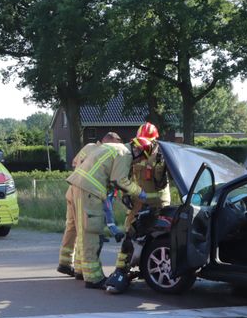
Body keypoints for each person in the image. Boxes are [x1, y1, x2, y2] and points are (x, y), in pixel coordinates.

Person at [63, 137, 149, 289]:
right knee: (91, 233)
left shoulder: (115, 148)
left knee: (83, 232)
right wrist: (140, 192)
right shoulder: (126, 154)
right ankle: (94, 278)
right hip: (90, 191)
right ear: (138, 151)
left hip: (80, 187)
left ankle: (82, 270)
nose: (138, 162)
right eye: (141, 158)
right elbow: (119, 180)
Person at [105, 124, 170, 294]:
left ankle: (155, 269)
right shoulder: (135, 153)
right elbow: (124, 175)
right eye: (140, 143)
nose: (142, 146)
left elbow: (164, 182)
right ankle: (120, 271)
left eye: (146, 143)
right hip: (137, 203)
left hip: (157, 203)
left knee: (155, 238)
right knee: (129, 236)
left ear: (155, 140)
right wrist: (125, 194)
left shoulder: (163, 156)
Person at [57, 133, 122, 278]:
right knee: (84, 230)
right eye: (116, 143)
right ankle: (81, 269)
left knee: (72, 227)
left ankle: (65, 262)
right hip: (84, 192)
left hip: (73, 190)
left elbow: (74, 163)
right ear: (110, 141)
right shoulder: (99, 151)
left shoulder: (89, 147)